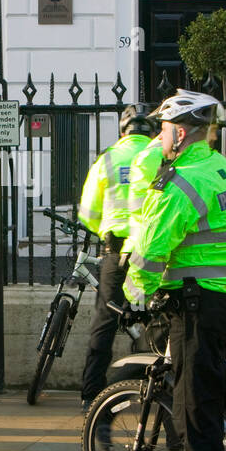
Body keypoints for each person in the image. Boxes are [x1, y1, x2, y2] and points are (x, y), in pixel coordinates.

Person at [124, 91, 226, 451]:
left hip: (199, 305)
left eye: (162, 129)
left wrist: (133, 296)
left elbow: (151, 248)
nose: (158, 137)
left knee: (194, 403)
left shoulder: (180, 182)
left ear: (179, 133)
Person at [76, 103, 155, 411]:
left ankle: (91, 395)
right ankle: (161, 399)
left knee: (105, 322)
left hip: (116, 251)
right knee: (158, 323)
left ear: (123, 130)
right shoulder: (160, 158)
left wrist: (105, 232)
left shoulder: (107, 159)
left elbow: (88, 212)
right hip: (151, 251)